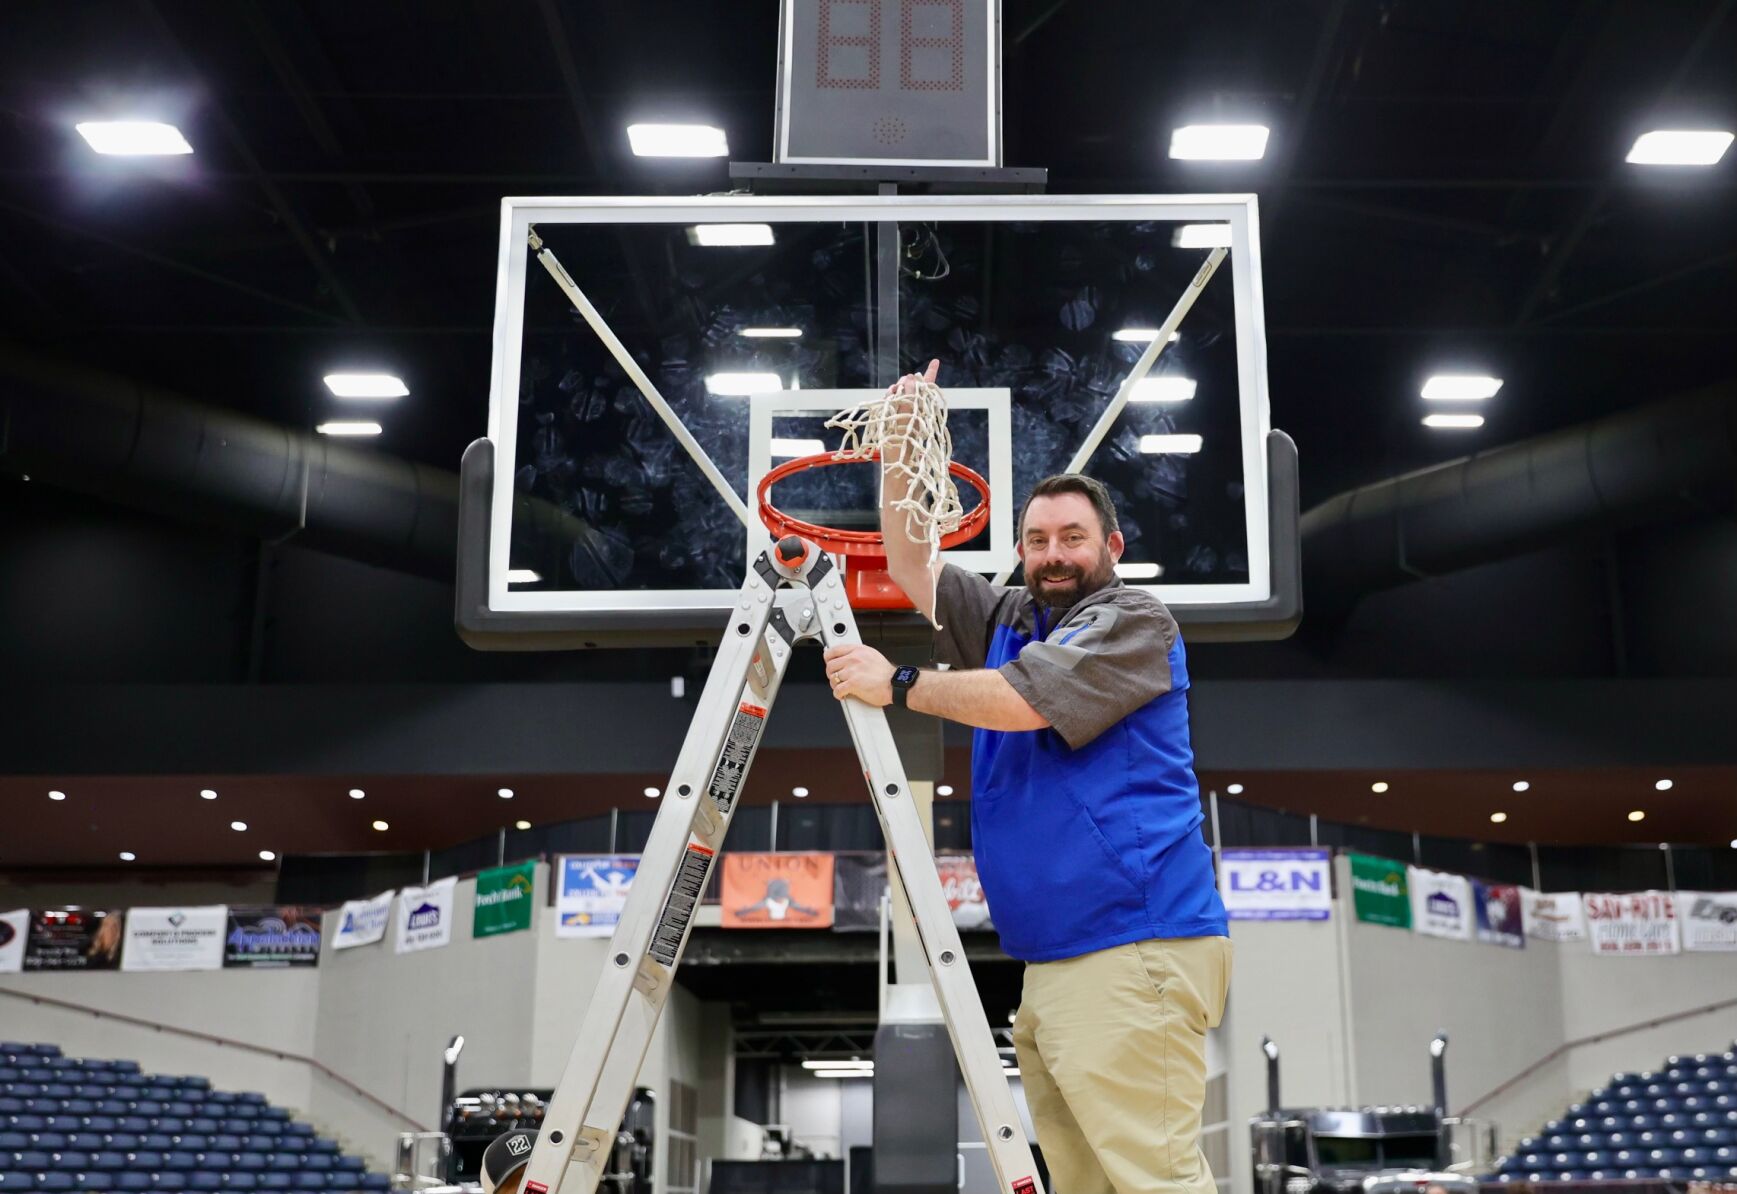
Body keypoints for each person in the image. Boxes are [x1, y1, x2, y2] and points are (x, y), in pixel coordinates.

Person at [822, 361, 1232, 1194]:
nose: (1053, 554)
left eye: (1072, 538)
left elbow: (1022, 702)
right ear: (1020, 548)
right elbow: (909, 559)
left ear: (1110, 547)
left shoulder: (1130, 620)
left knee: (1152, 1179)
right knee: (1087, 1181)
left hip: (1133, 946)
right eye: (1037, 540)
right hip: (1058, 955)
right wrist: (904, 439)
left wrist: (896, 684)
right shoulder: (1009, 616)